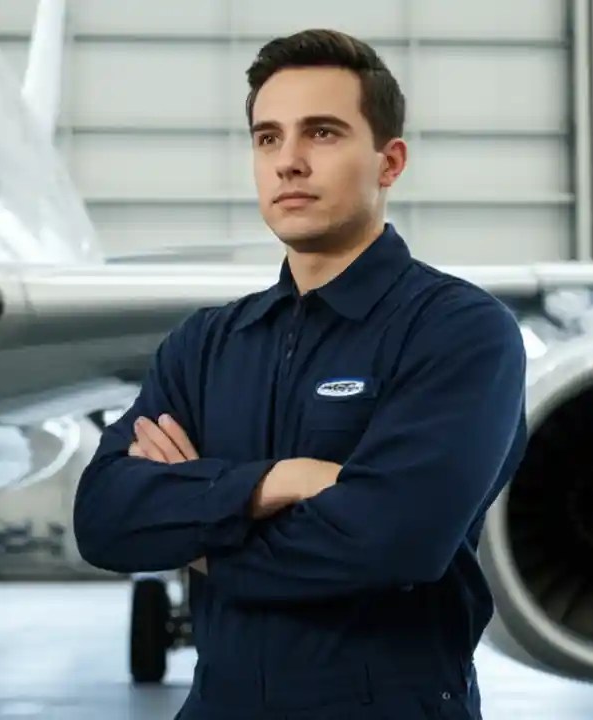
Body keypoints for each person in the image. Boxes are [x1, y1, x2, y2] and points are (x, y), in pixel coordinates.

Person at [72, 27, 527, 720]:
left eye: (321, 134)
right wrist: (277, 481)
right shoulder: (205, 343)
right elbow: (104, 519)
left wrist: (200, 535)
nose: (288, 162)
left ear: (389, 161)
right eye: (267, 138)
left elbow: (394, 544)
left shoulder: (460, 332)